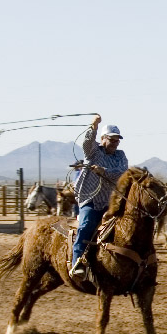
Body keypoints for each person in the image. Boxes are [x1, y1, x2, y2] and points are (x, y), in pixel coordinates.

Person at [70, 115, 129, 277]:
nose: (115, 143)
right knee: (87, 224)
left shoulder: (120, 155)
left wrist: (105, 171)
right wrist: (94, 126)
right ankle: (78, 262)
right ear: (103, 139)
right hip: (91, 199)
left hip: (112, 201)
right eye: (112, 139)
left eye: (117, 140)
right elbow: (87, 143)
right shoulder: (93, 152)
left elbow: (123, 173)